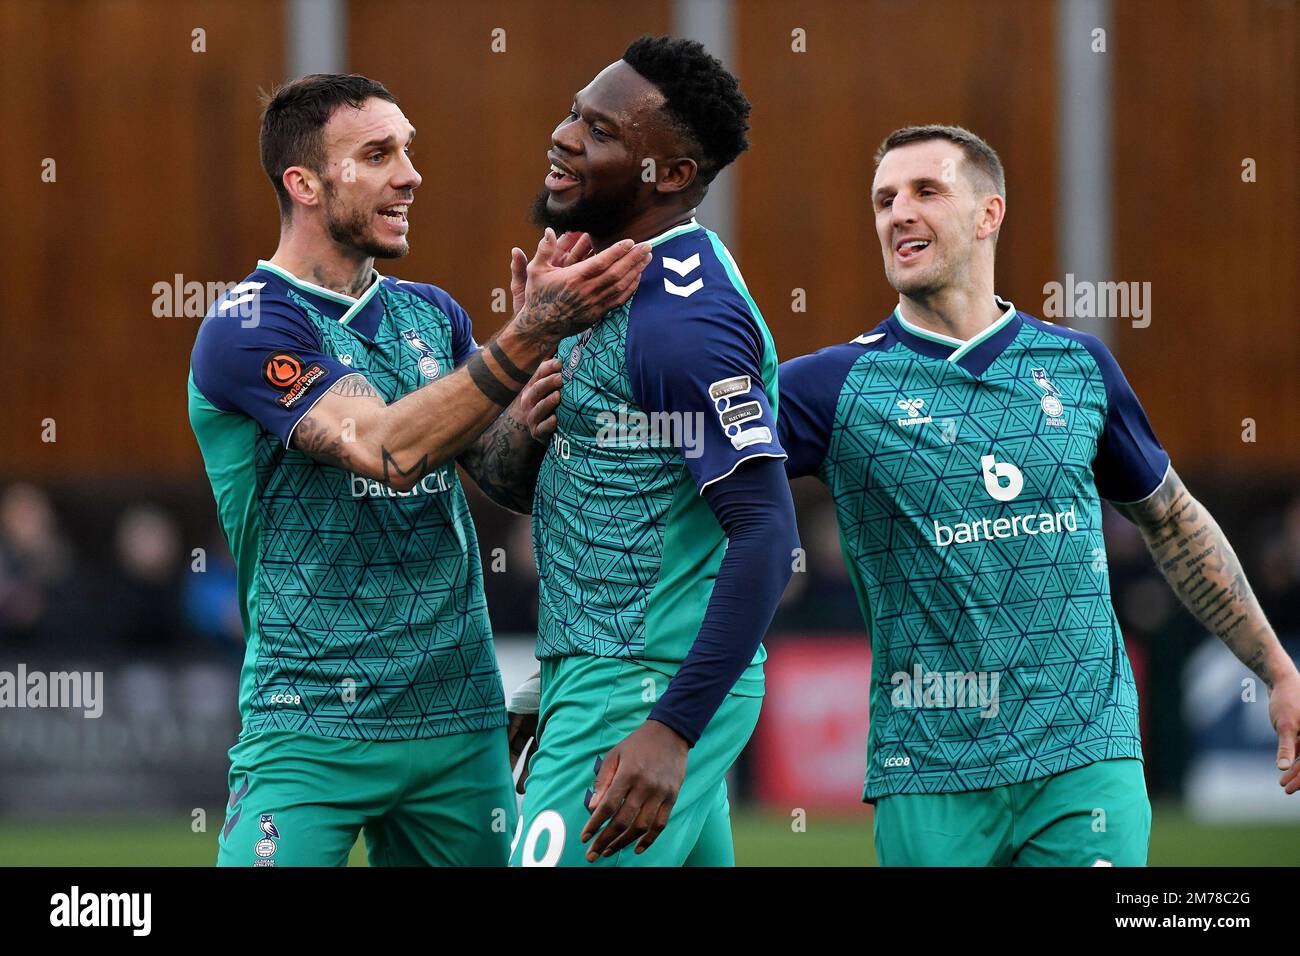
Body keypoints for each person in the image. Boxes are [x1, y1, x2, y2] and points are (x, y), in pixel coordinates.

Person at [776, 124, 1300, 865]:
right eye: (884, 199)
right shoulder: (829, 387)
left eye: (926, 191)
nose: (898, 212)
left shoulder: (1079, 366)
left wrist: (1277, 669)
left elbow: (1174, 522)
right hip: (930, 767)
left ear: (989, 214)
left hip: (1086, 754)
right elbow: (693, 474)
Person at [188, 73, 649, 866]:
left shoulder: (431, 313)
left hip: (458, 719)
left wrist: (546, 402)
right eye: (377, 154)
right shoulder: (246, 325)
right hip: (309, 721)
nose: (410, 174)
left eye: (407, 149)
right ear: (303, 183)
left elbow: (500, 477)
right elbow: (385, 447)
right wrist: (529, 334)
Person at [507, 36, 799, 868]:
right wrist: (553, 676)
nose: (564, 137)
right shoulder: (605, 288)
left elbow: (767, 535)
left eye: (598, 132)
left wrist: (670, 725)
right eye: (572, 113)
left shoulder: (681, 322)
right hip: (602, 677)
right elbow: (601, 490)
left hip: (640, 694)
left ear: (669, 175)